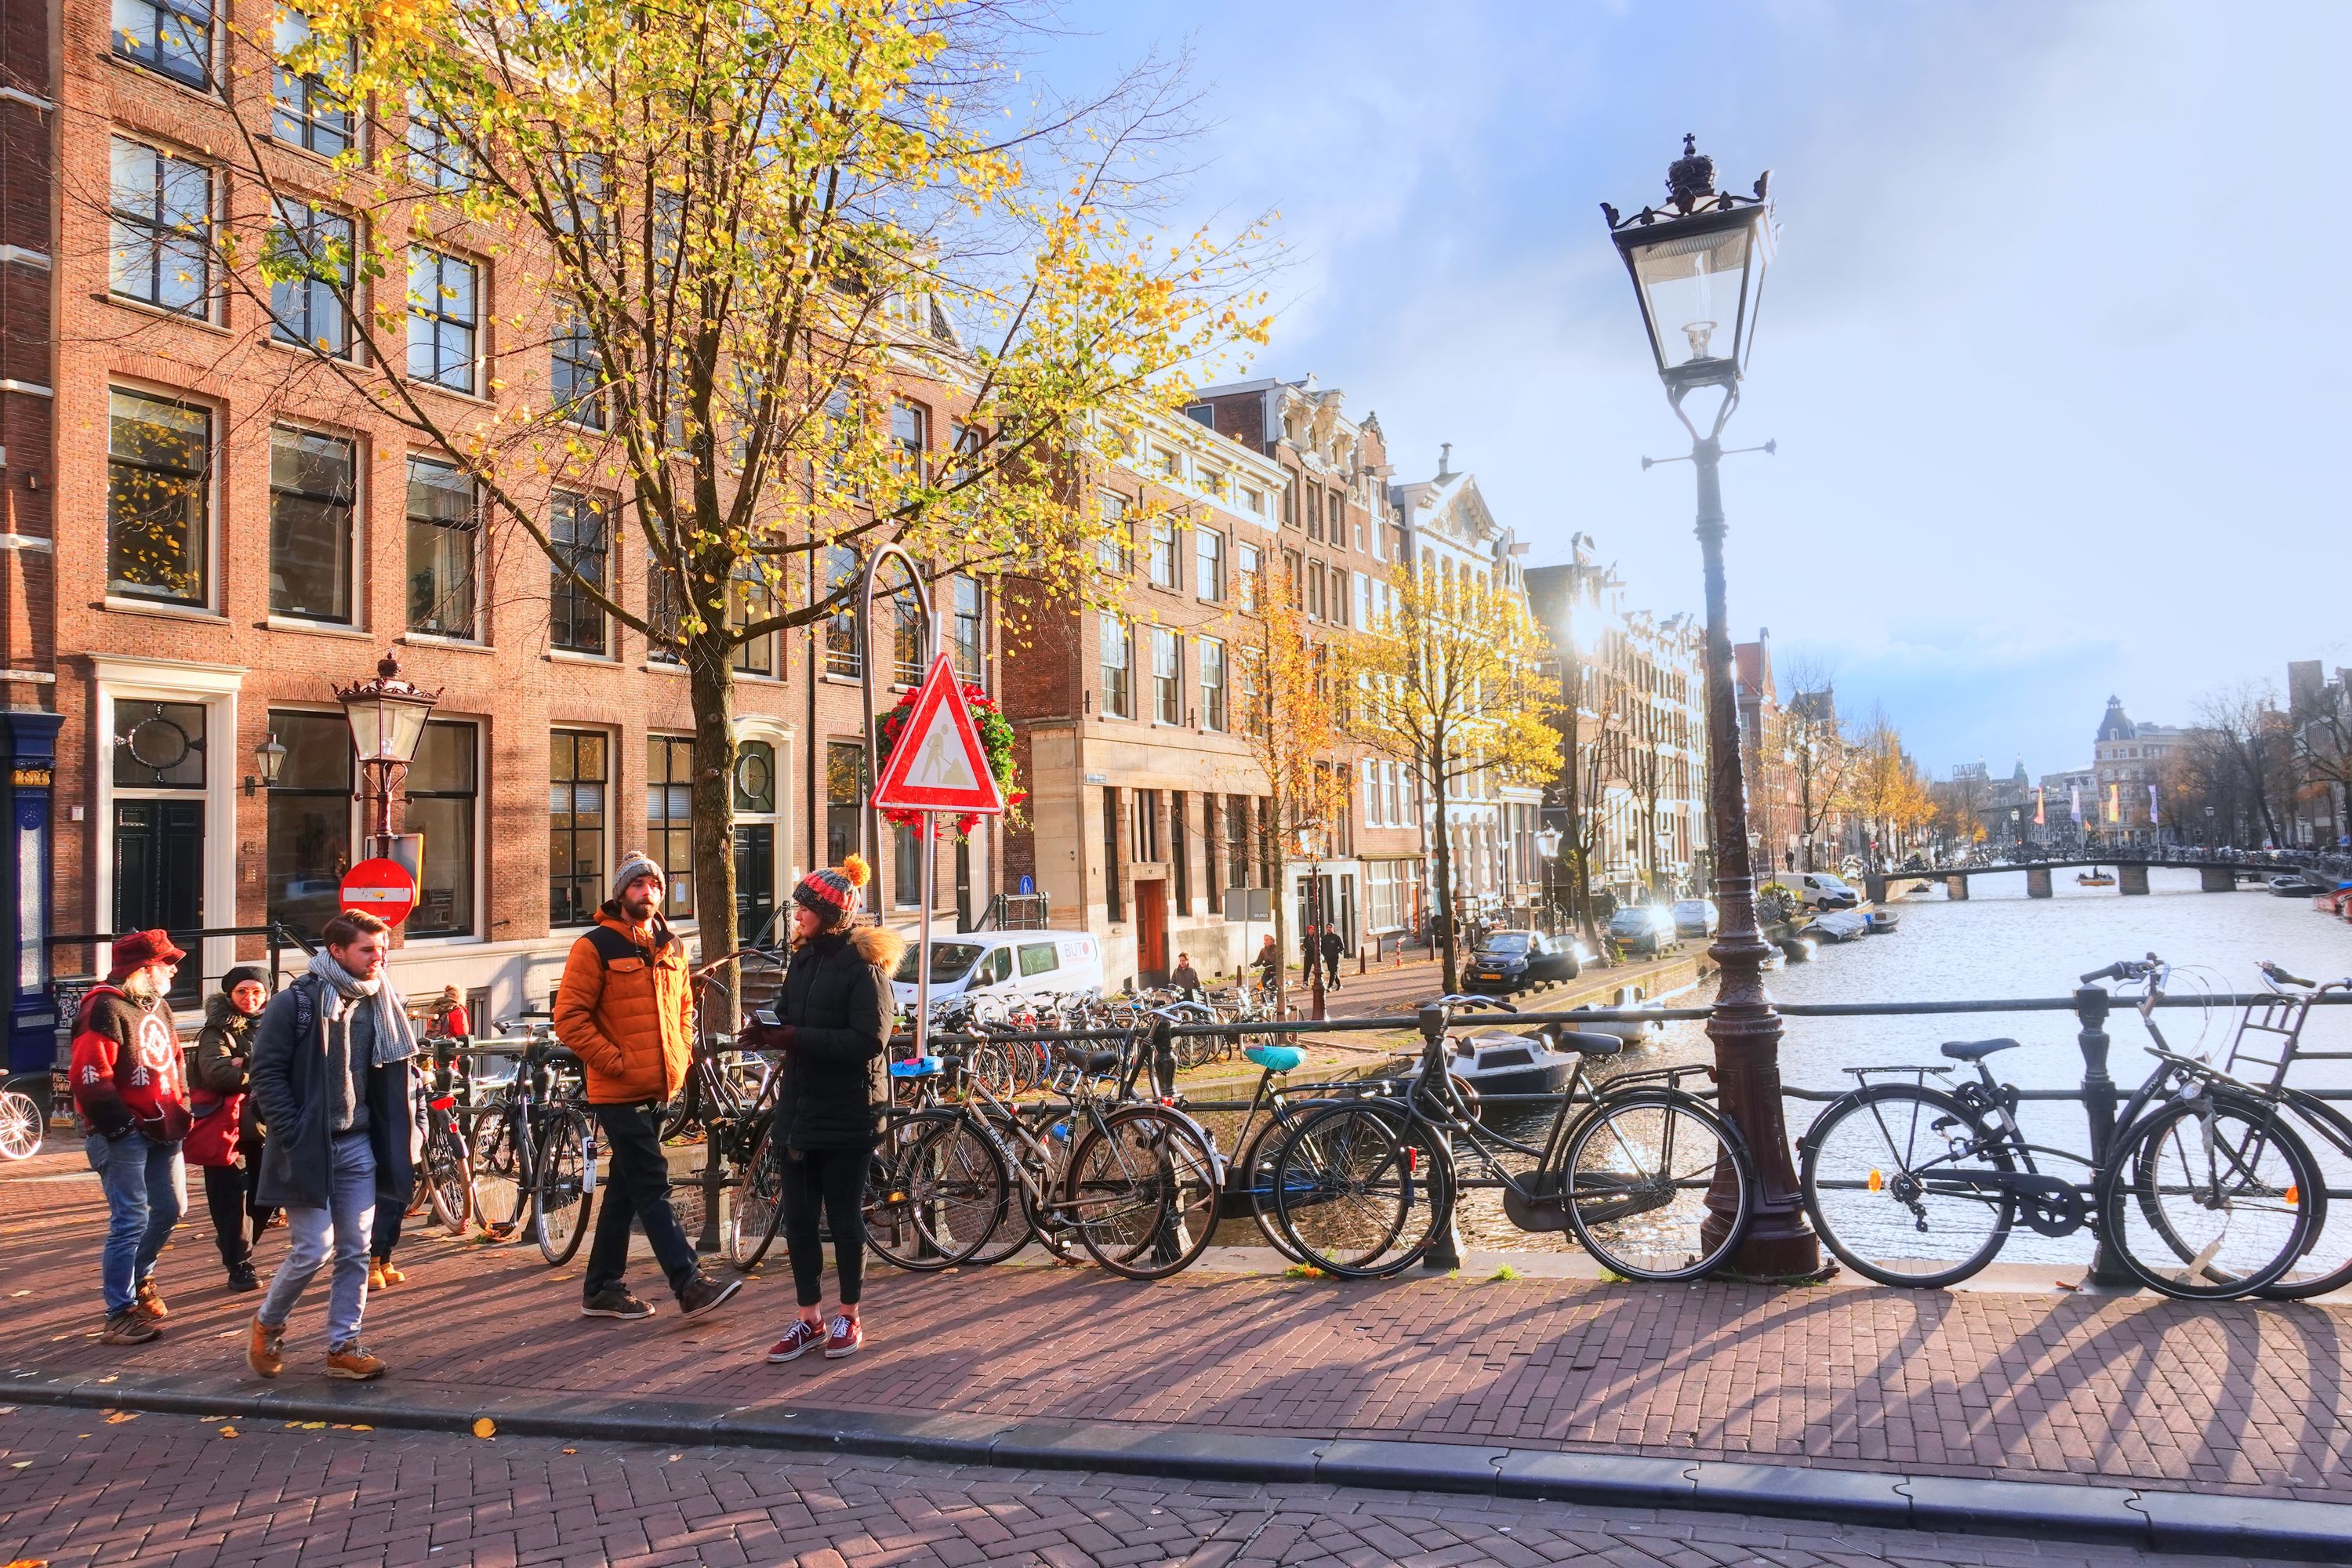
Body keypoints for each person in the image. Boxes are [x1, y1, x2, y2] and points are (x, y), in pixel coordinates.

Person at [556, 852, 742, 1324]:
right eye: (637, 885)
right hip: (618, 1090)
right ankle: (689, 1283)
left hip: (660, 1087)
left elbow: (682, 1009)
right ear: (620, 895)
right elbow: (570, 1019)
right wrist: (615, 1062)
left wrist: (679, 1055)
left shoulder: (673, 947)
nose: (648, 892)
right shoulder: (593, 946)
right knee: (653, 1184)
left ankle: (602, 1288)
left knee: (625, 1187)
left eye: (654, 885)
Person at [246, 910, 417, 1382]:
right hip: (309, 1144)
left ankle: (343, 1346)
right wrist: (293, 1127)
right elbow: (266, 1072)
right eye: (368, 950)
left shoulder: (383, 1002)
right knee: (312, 1249)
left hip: (359, 1143)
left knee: (357, 1250)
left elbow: (397, 1074)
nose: (378, 959)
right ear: (337, 951)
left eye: (382, 950)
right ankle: (268, 1323)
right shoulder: (295, 1003)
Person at [760, 855, 902, 1363]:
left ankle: (850, 1315)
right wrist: (766, 1030)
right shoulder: (802, 961)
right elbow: (789, 1016)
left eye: (803, 909)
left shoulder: (865, 971)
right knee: (797, 1219)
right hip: (799, 1108)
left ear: (829, 913)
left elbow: (869, 1040)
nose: (795, 917)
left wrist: (799, 1035)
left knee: (844, 1218)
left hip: (849, 1112)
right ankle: (809, 1319)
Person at [71, 929, 192, 1346]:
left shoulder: (157, 1005)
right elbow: (89, 1076)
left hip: (165, 1126)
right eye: (167, 964)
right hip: (124, 1134)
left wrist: (183, 1105)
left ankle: (140, 1276)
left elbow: (175, 1060)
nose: (175, 970)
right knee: (130, 1219)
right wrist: (120, 1129)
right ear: (144, 969)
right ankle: (118, 1314)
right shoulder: (103, 1009)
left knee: (173, 1208)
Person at [191, 966, 274, 1291]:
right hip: (228, 1130)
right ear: (230, 994)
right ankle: (239, 1265)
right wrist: (264, 1067)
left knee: (266, 1197)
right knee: (231, 1199)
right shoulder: (216, 1031)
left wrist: (245, 1063)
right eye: (242, 991)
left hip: (269, 1125)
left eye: (257, 992)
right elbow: (218, 1074)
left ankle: (235, 1245)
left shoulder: (278, 1025)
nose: (249, 998)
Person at [1319, 926, 1345, 993]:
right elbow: (1322, 948)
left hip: (1335, 957)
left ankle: (1329, 986)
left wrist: (1337, 952)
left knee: (1333, 971)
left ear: (1333, 928)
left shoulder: (1336, 937)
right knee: (1333, 971)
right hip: (1328, 958)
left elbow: (1342, 947)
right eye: (1327, 927)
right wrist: (1324, 955)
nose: (1329, 929)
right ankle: (1339, 985)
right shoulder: (1324, 938)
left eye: (1330, 927)